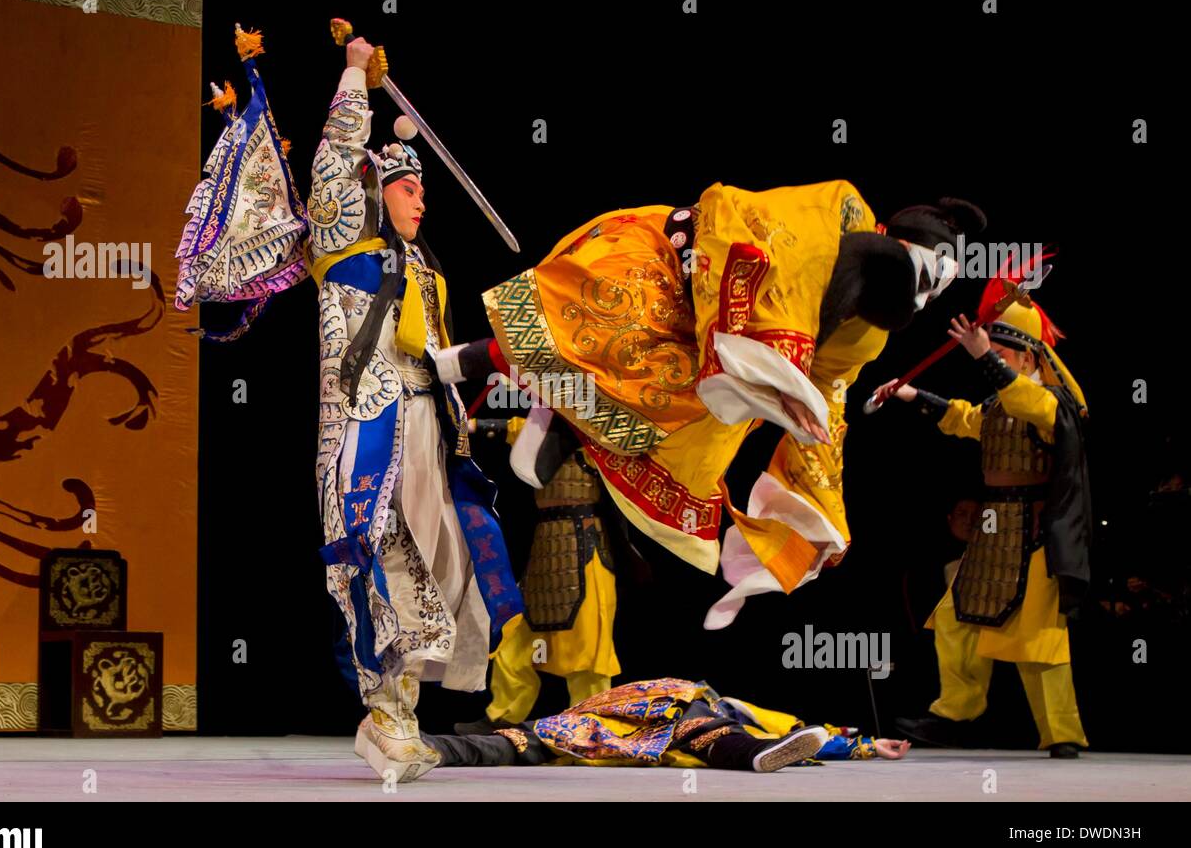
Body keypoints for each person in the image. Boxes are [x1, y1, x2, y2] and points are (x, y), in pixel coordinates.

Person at [176, 27, 522, 782]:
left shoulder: (423, 268)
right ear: (370, 189)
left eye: (423, 187)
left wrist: (497, 355)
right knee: (379, 561)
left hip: (428, 431)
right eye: (407, 186)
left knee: (433, 567)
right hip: (365, 430)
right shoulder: (340, 235)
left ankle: (404, 715)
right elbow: (334, 154)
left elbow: (435, 358)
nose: (421, 197)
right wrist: (355, 74)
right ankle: (382, 717)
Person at [437, 187, 985, 628]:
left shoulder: (867, 335)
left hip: (710, 350)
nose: (924, 300)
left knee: (684, 409)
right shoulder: (834, 213)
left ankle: (566, 422)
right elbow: (742, 227)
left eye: (934, 296)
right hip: (673, 267)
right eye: (925, 282)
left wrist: (818, 512)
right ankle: (474, 360)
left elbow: (828, 400)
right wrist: (764, 366)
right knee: (608, 324)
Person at [882, 272, 1091, 758]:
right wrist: (913, 396)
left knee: (1037, 639)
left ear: (1030, 357)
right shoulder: (1000, 405)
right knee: (956, 620)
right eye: (992, 353)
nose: (995, 360)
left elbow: (1026, 400)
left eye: (1003, 353)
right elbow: (966, 419)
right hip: (995, 529)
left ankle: (1061, 732)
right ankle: (954, 714)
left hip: (1035, 531)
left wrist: (981, 356)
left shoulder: (1049, 403)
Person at [453, 416, 622, 735]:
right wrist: (461, 421)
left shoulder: (606, 436)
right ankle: (503, 716)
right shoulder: (540, 429)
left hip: (588, 545)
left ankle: (592, 725)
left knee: (589, 647)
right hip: (547, 543)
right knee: (517, 638)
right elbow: (504, 428)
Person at [426, 677, 910, 771]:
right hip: (643, 708)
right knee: (530, 735)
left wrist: (865, 746)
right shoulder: (708, 701)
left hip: (618, 729)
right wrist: (856, 745)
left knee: (529, 740)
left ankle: (434, 750)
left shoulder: (728, 715)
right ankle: (425, 746)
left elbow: (803, 734)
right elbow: (800, 732)